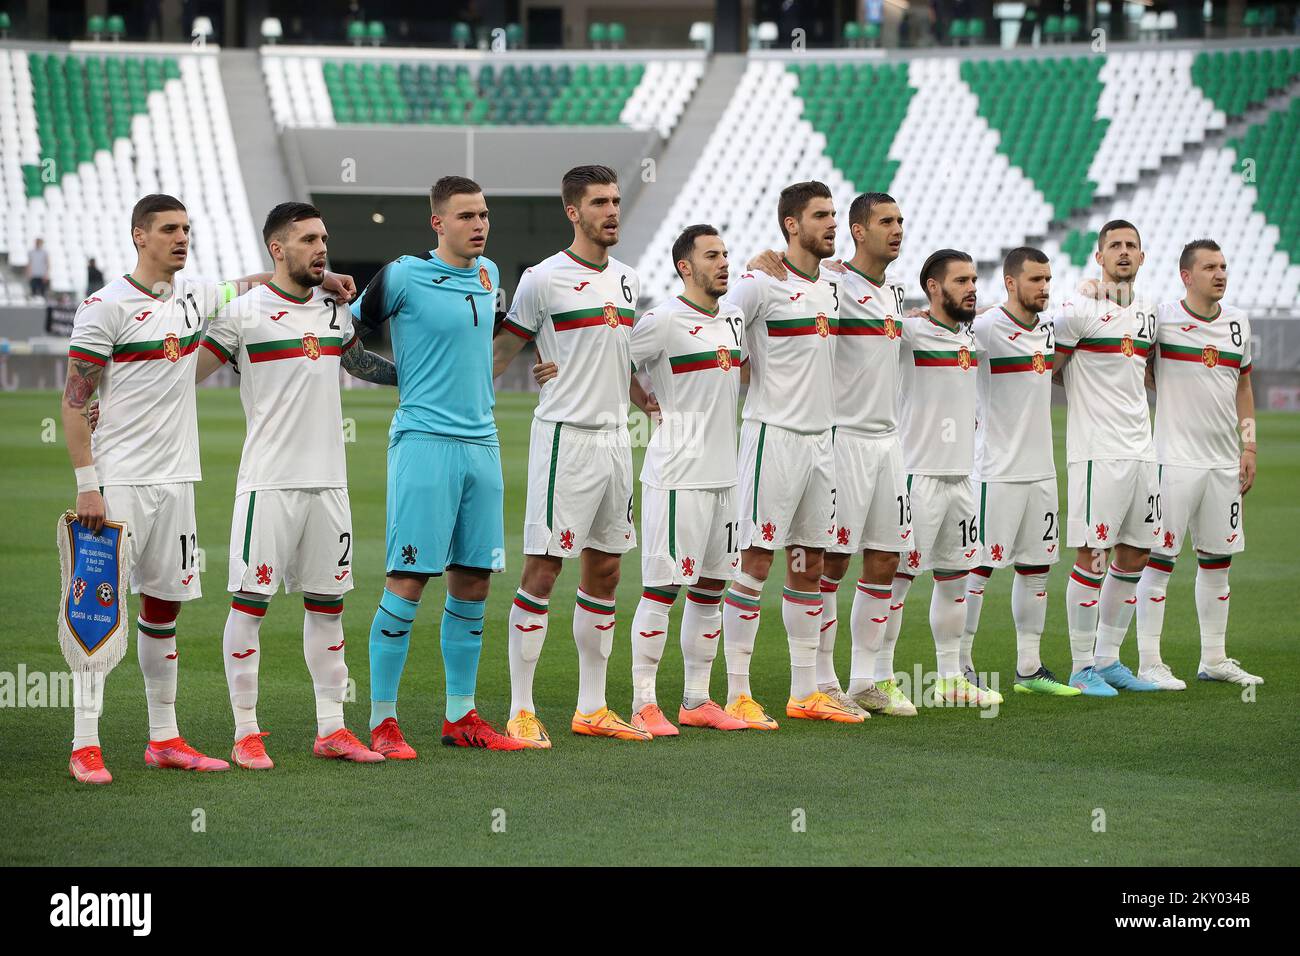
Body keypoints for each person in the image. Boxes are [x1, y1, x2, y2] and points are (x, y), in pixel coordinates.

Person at [61, 192, 355, 784]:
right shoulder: (103, 308)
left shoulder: (196, 296)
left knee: (164, 611)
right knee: (95, 613)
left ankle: (163, 738)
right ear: (139, 236)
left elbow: (254, 283)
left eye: (187, 229)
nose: (181, 237)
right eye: (169, 229)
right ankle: (84, 742)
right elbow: (73, 400)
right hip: (117, 480)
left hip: (179, 482)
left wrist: (325, 276)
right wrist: (87, 484)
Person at [198, 202, 394, 769]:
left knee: (329, 610)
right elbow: (185, 372)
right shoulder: (243, 314)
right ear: (277, 249)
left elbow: (359, 363)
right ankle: (245, 730)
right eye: (308, 239)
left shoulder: (335, 312)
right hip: (268, 484)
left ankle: (332, 727)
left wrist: (423, 373)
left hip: (329, 485)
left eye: (324, 238)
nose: (321, 248)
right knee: (250, 605)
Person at [350, 177, 527, 755]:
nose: (479, 225)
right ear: (438, 224)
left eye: (484, 215)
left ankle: (461, 716)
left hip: (483, 443)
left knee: (474, 579)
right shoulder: (402, 274)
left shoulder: (489, 274)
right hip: (424, 442)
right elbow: (342, 336)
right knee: (409, 579)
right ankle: (382, 720)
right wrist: (396, 376)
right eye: (466, 216)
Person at [492, 164, 659, 745]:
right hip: (566, 438)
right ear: (573, 212)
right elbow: (503, 350)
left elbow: (623, 360)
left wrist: (649, 402)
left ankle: (591, 707)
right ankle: (520, 707)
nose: (611, 211)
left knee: (608, 567)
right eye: (599, 203)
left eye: (616, 201)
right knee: (544, 567)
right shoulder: (542, 279)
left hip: (617, 441)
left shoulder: (630, 281)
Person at [718, 181, 863, 727]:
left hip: (822, 443)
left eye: (833, 214)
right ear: (791, 225)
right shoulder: (758, 282)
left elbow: (885, 293)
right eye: (820, 216)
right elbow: (714, 321)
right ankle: (738, 693)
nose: (831, 224)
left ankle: (806, 691)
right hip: (772, 439)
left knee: (810, 563)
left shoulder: (834, 282)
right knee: (754, 560)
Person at [622, 224, 750, 735]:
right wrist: (642, 400)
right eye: (711, 256)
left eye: (726, 254)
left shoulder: (735, 319)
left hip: (726, 474)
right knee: (663, 587)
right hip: (678, 474)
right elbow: (614, 364)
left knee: (713, 587)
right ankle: (643, 703)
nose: (723, 263)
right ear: (685, 267)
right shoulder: (662, 321)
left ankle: (697, 700)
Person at [1134, 239, 1262, 687]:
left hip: (1222, 464)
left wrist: (1248, 447)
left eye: (1224, 266)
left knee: (1217, 561)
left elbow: (1243, 388)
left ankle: (1214, 658)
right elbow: (1139, 367)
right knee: (1159, 561)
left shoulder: (1238, 324)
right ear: (1187, 276)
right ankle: (1149, 662)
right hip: (1173, 461)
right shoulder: (1163, 318)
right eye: (1210, 267)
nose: (1220, 274)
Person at [1052, 220, 1161, 695]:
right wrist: (1081, 385)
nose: (1123, 252)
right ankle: (1081, 668)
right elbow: (1046, 369)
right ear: (1098, 257)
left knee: (1135, 552)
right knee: (1094, 554)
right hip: (1098, 451)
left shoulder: (1151, 312)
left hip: (1143, 450)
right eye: (1113, 245)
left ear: (1142, 257)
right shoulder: (1078, 308)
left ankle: (1109, 658)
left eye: (1130, 246)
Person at [818, 192, 916, 717]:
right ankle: (822, 679)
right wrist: (760, 259)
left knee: (884, 558)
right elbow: (779, 280)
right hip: (843, 440)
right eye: (886, 221)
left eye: (900, 220)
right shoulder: (832, 283)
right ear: (858, 230)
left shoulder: (895, 293)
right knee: (830, 561)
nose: (896, 229)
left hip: (888, 442)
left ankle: (865, 680)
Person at [964, 247, 1078, 696]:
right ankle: (961, 665)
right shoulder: (988, 327)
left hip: (1040, 472)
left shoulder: (1048, 329)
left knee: (1036, 568)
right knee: (978, 568)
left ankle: (1029, 668)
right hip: (995, 472)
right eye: (1035, 280)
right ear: (1011, 283)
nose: (1044, 287)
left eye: (1048, 279)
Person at [894, 249, 1003, 708]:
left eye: (974, 280)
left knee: (954, 579)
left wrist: (1092, 289)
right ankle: (878, 677)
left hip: (962, 478)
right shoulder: (908, 331)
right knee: (896, 579)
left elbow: (1025, 312)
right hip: (916, 475)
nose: (972, 288)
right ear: (933, 287)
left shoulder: (971, 337)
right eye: (960, 281)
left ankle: (949, 678)